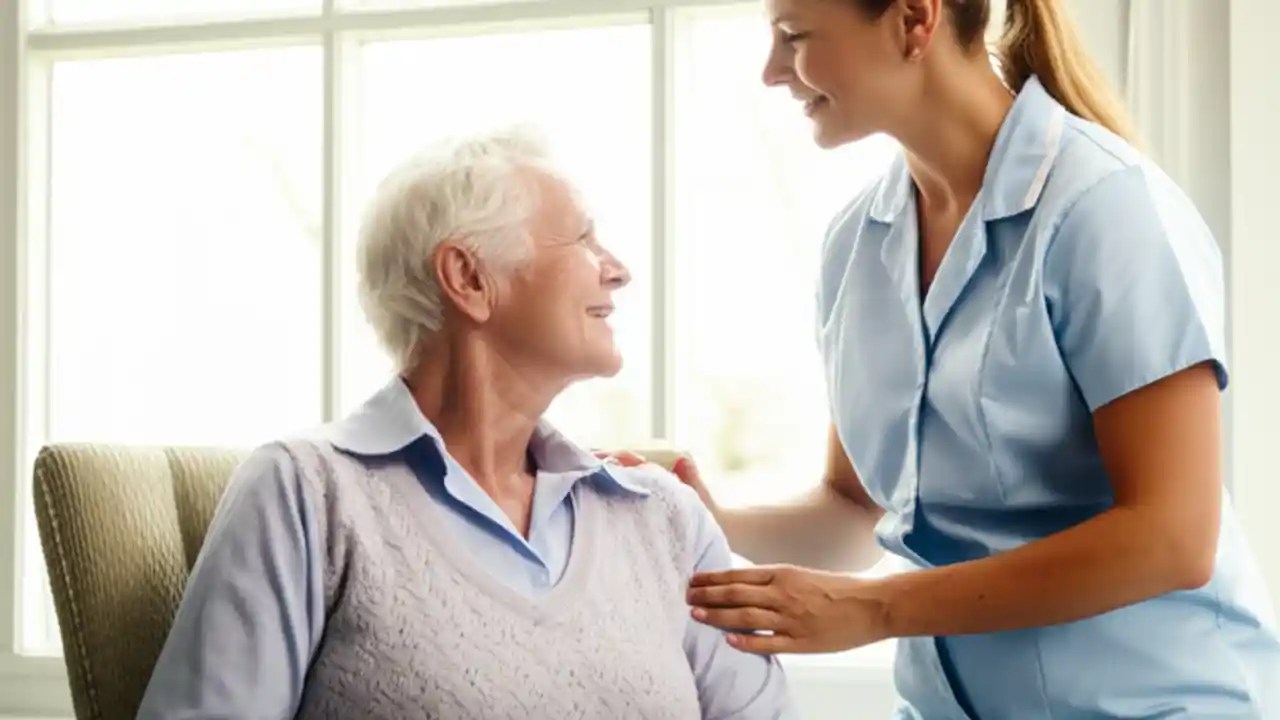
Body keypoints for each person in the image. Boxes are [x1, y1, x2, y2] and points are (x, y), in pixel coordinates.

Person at [660, 0, 1280, 717]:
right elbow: (855, 509)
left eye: (794, 37)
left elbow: (1172, 536)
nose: (773, 73)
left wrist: (876, 610)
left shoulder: (1106, 210)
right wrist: (706, 515)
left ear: (913, 22)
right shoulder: (856, 244)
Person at [135, 129, 795, 720]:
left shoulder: (666, 520)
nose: (617, 269)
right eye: (584, 238)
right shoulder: (307, 491)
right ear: (469, 277)